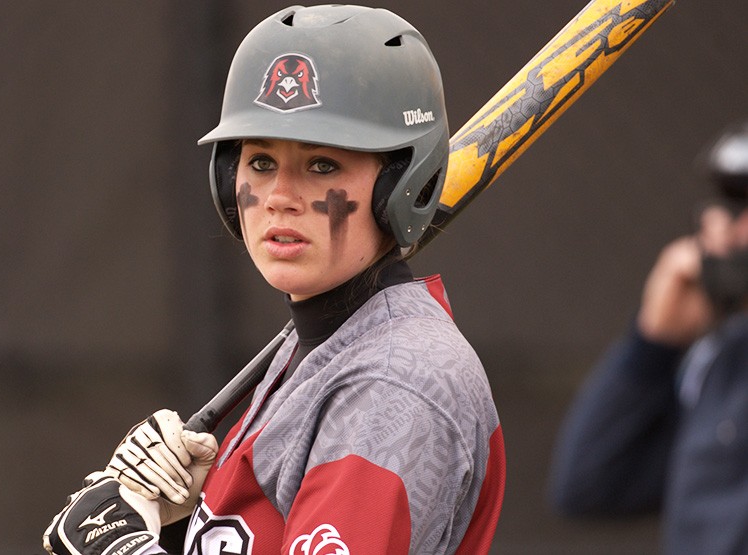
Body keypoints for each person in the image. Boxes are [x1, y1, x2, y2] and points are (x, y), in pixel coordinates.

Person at [43, 5, 505, 554]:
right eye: (260, 161)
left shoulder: (392, 386)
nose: (280, 197)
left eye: (322, 165)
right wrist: (173, 525)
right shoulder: (320, 346)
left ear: (401, 184)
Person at [548, 120, 748, 554]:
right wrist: (652, 348)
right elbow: (589, 485)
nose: (720, 225)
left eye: (741, 207)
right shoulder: (719, 359)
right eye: (728, 205)